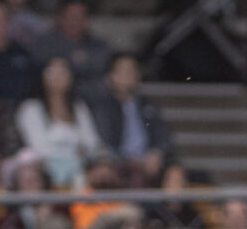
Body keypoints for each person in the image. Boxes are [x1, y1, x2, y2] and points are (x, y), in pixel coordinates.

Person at [86, 54, 173, 183]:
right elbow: (104, 141)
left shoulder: (147, 104)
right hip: (119, 164)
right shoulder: (102, 106)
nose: (128, 74)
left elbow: (163, 134)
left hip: (148, 163)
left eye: (132, 70)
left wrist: (156, 152)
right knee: (132, 173)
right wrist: (129, 160)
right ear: (110, 76)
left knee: (181, 174)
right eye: (123, 70)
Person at [16, 55, 103, 182]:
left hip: (82, 167)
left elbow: (91, 142)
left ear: (71, 77)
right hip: (45, 170)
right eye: (52, 72)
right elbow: (39, 148)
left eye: (62, 72)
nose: (57, 77)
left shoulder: (79, 108)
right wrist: (71, 160)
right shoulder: (31, 108)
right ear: (42, 77)